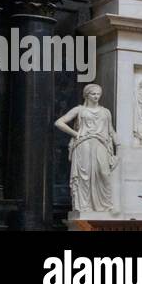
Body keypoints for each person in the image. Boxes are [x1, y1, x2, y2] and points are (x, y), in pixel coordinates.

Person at [55, 84, 118, 214]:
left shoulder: (105, 111)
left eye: (98, 94)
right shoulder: (79, 110)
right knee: (85, 176)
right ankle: (84, 207)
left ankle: (105, 206)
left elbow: (111, 130)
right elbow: (59, 122)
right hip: (84, 144)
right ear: (86, 95)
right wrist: (76, 134)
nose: (96, 96)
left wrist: (119, 146)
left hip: (101, 144)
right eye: (93, 94)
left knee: (104, 173)